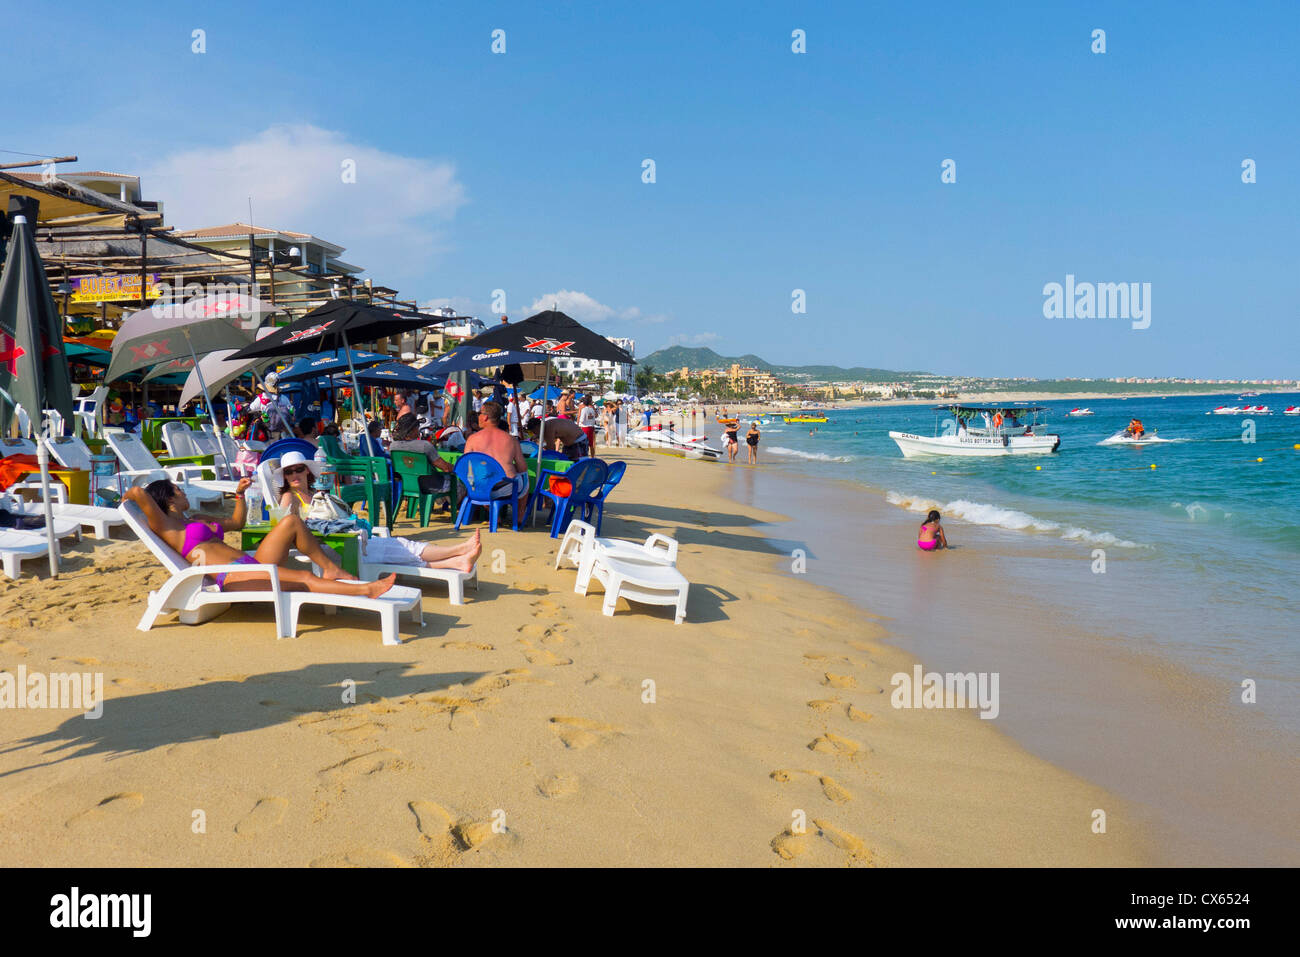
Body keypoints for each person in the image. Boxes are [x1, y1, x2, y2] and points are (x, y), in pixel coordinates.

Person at [124, 478, 397, 598]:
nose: (183, 492)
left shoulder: (193, 521)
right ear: (169, 498)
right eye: (178, 489)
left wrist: (239, 494)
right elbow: (137, 492)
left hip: (250, 564)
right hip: (232, 576)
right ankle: (367, 590)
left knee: (291, 521)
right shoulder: (168, 527)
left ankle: (330, 568)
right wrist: (124, 500)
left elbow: (236, 523)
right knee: (303, 579)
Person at [274, 451, 479, 572]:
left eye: (298, 469)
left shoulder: (312, 493)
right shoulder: (290, 497)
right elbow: (285, 532)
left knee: (399, 545)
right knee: (396, 549)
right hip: (329, 548)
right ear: (284, 476)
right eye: (289, 472)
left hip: (344, 541)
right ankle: (458, 552)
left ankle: (457, 560)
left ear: (307, 470)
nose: (294, 475)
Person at [464, 400, 531, 510]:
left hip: (479, 488)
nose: (478, 416)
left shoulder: (472, 439)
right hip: (505, 487)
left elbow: (467, 465)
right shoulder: (511, 439)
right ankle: (519, 517)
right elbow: (522, 468)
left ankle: (494, 515)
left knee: (479, 477)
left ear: (485, 417)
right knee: (525, 478)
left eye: (479, 413)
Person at [387, 413, 456, 495]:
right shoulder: (424, 446)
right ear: (413, 429)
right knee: (460, 485)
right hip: (430, 486)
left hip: (406, 485)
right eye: (417, 427)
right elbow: (446, 468)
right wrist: (456, 467)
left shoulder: (393, 446)